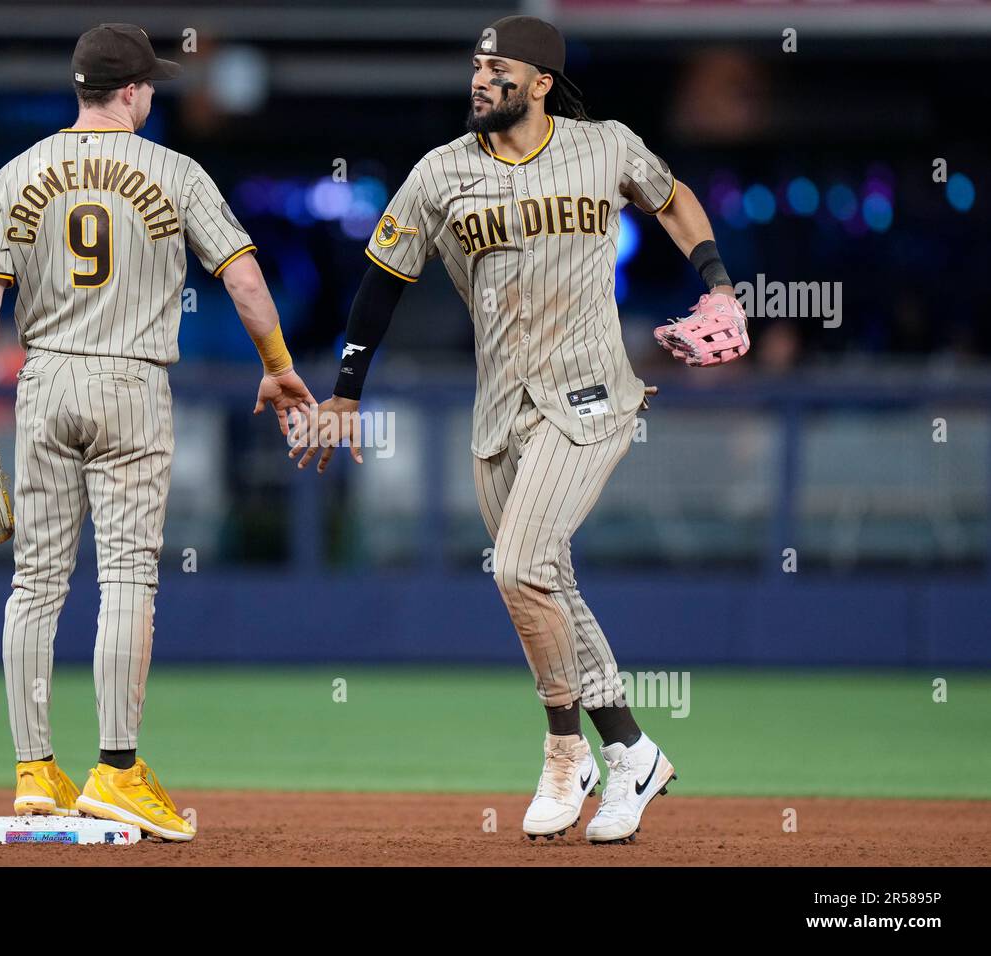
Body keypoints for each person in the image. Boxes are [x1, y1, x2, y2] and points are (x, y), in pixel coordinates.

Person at [292, 15, 748, 843]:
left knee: (519, 565)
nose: (481, 77)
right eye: (475, 63)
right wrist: (346, 394)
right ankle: (636, 754)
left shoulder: (604, 144)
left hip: (592, 394)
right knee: (548, 586)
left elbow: (672, 196)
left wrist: (718, 284)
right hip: (500, 408)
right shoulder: (441, 172)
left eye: (499, 66)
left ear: (540, 82)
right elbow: (383, 279)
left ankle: (564, 747)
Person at [0, 23, 315, 841]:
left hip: (41, 380)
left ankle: (34, 771)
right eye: (150, 83)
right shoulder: (175, 171)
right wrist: (278, 360)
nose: (155, 92)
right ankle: (115, 770)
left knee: (36, 583)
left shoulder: (20, 171)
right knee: (127, 583)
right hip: (131, 380)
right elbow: (246, 275)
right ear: (129, 92)